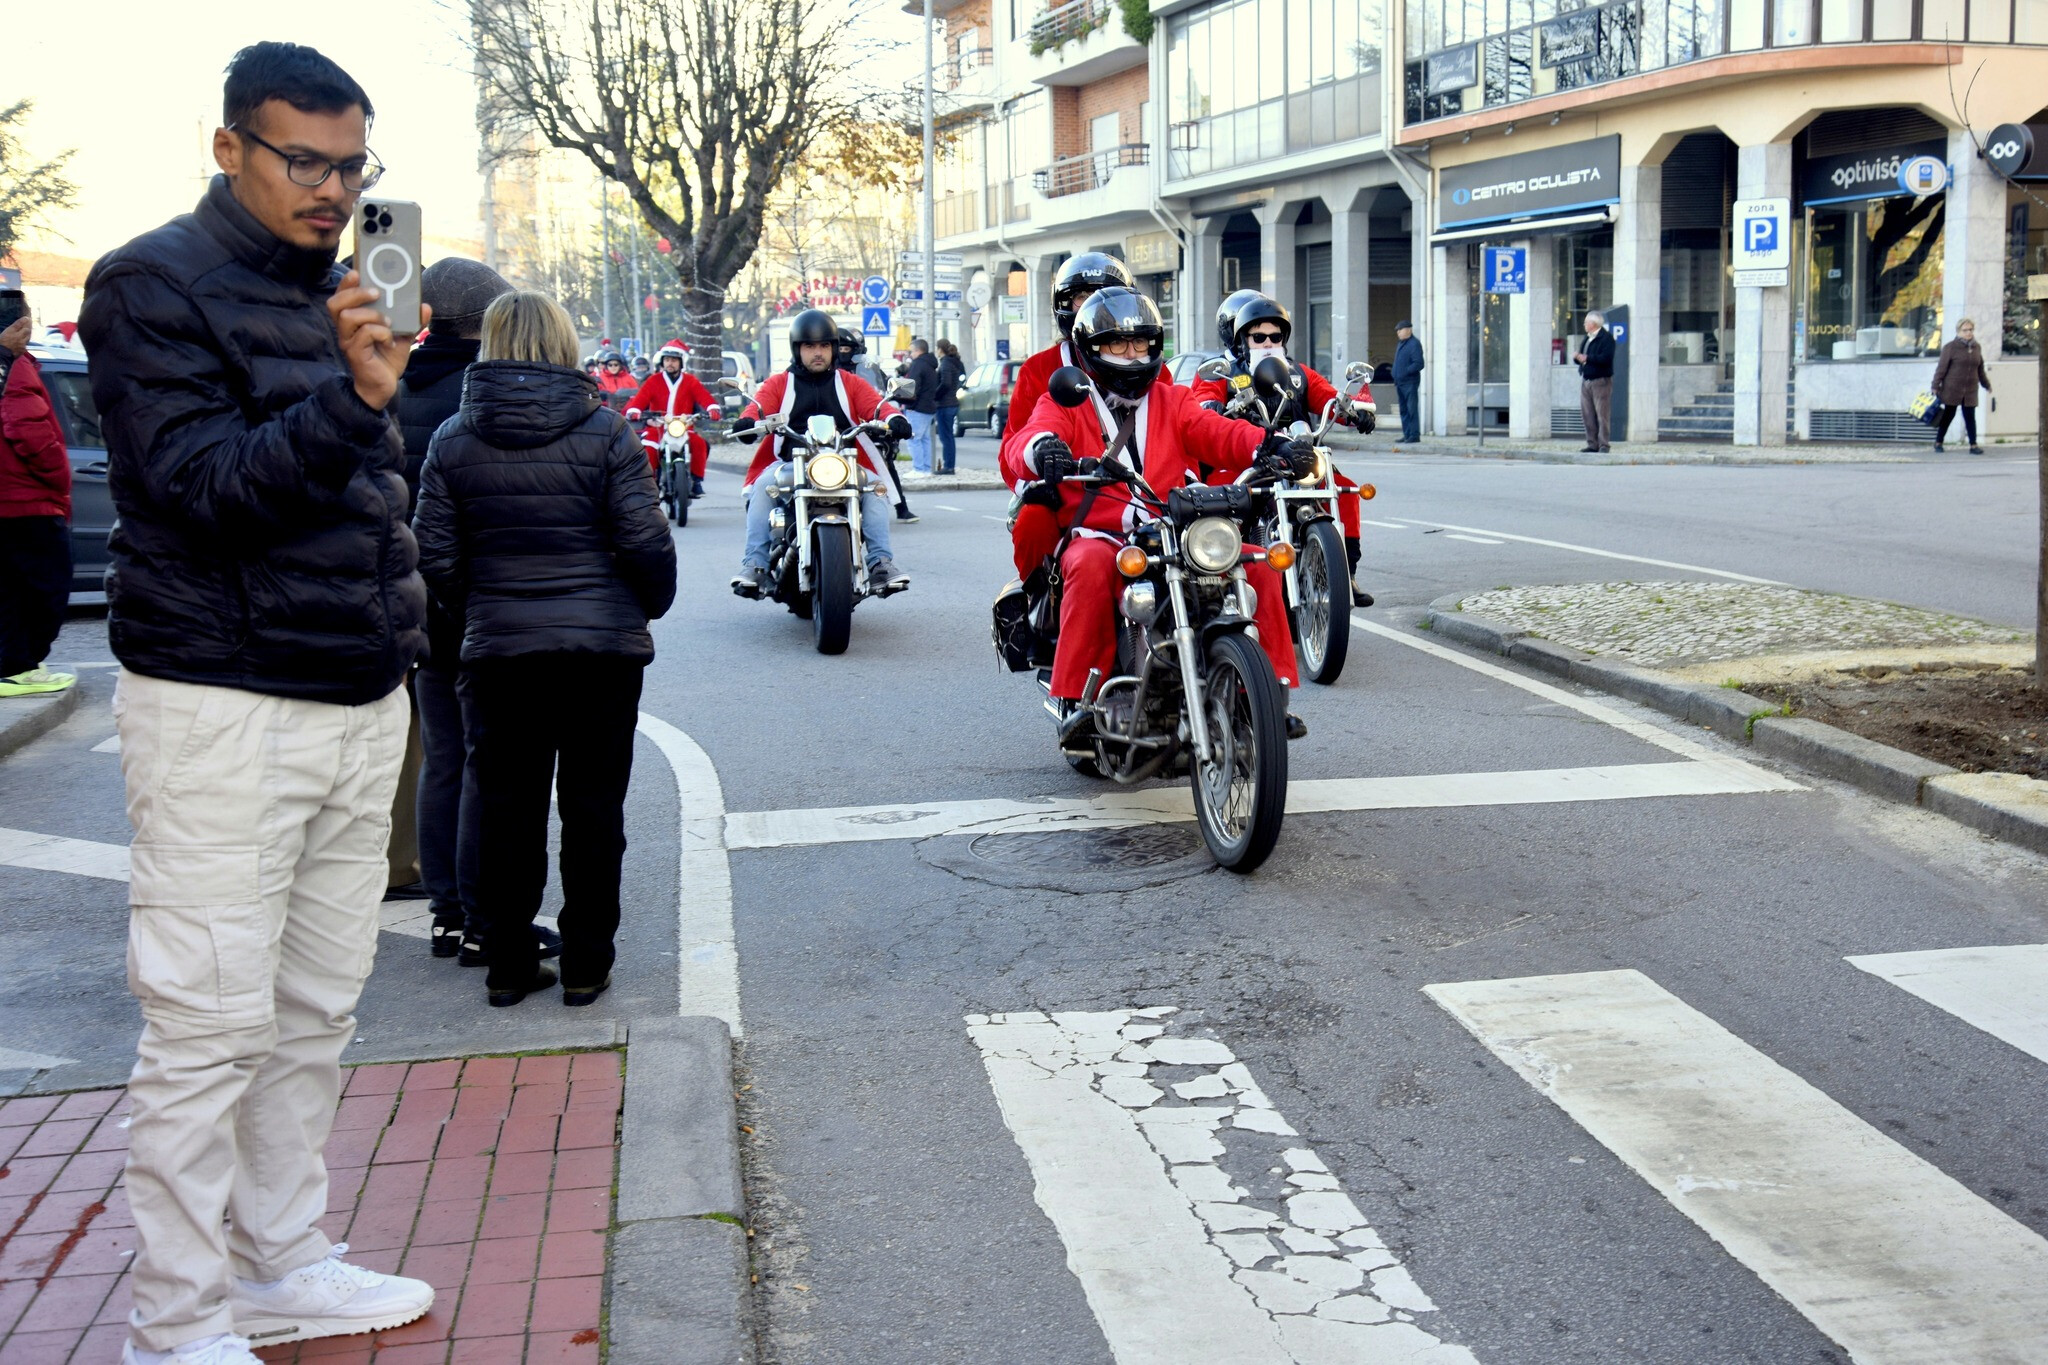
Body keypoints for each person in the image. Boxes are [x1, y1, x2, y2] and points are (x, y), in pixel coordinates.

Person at [76, 42, 435, 1365]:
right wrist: (357, 397)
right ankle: (175, 1324)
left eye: (353, 165)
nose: (333, 188)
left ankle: (281, 1259)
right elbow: (203, 489)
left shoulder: (341, 291)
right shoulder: (149, 283)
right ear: (230, 147)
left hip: (355, 694)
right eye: (305, 160)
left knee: (312, 1013)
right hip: (222, 705)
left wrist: (366, 380)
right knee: (209, 1027)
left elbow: (358, 500)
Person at [413, 291, 677, 1008]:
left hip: (500, 654)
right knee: (594, 810)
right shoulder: (606, 433)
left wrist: (481, 609)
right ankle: (588, 963)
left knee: (506, 810)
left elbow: (433, 552)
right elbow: (646, 542)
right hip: (599, 653)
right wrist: (638, 606)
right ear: (564, 345)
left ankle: (507, 963)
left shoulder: (452, 439)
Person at [1009, 288, 1312, 734]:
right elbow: (1025, 439)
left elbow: (1216, 431)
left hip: (1171, 526)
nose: (1132, 355)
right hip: (1102, 532)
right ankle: (1081, 699)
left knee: (1258, 563)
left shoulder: (1171, 399)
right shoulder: (1067, 400)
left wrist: (1270, 445)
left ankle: (1266, 696)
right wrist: (1044, 450)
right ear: (1091, 349)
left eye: (1142, 344)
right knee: (1090, 566)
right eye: (1117, 344)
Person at [392, 256, 535, 964]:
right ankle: (482, 915)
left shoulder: (396, 389)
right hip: (475, 598)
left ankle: (445, 909)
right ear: (486, 323)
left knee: (441, 757)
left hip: (415, 598)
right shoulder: (476, 395)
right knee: (485, 760)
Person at [1188, 293, 1377, 603]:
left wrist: (1353, 413)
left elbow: (1328, 398)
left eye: (1275, 336)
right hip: (1244, 460)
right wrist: (1211, 406)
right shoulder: (1224, 372)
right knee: (1218, 492)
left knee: (1344, 489)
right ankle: (1216, 574)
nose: (1267, 343)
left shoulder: (1298, 373)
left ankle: (1347, 573)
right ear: (1241, 339)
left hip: (1296, 458)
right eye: (1258, 336)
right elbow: (1200, 403)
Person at [729, 308, 911, 598]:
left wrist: (893, 419)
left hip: (841, 464)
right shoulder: (780, 383)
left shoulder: (849, 382)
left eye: (824, 346)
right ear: (797, 349)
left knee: (875, 488)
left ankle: (880, 563)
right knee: (763, 487)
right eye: (810, 346)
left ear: (834, 349)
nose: (818, 353)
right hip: (792, 463)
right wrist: (749, 421)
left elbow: (876, 405)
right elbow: (760, 407)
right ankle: (756, 565)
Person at [998, 252, 1138, 576]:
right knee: (1033, 523)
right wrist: (1041, 459)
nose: (1093, 305)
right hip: (1066, 488)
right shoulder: (1039, 369)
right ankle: (1037, 609)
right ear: (1064, 305)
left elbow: (1188, 425)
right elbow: (1015, 444)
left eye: (1106, 296)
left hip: (1142, 489)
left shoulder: (1149, 367)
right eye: (1082, 297)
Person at [0, 303, 76, 698]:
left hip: (13, 501)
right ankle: (19, 667)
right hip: (27, 502)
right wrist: (59, 478)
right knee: (48, 587)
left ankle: (16, 667)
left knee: (12, 591)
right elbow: (28, 430)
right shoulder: (16, 366)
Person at [838, 327, 915, 522]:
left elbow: (880, 388)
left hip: (866, 422)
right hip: (838, 427)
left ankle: (901, 507)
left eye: (847, 348)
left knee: (886, 461)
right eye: (840, 348)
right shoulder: (829, 373)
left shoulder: (867, 368)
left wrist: (894, 415)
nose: (843, 352)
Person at [625, 339, 721, 496]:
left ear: (681, 362)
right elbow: (639, 401)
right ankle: (651, 483)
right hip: (657, 427)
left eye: (674, 360)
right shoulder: (653, 380)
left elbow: (705, 397)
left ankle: (696, 481)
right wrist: (635, 411)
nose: (670, 363)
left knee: (699, 444)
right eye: (667, 360)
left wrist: (712, 409)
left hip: (683, 427)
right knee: (649, 447)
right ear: (662, 362)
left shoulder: (690, 381)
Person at [1932, 318, 1991, 455]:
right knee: (1948, 415)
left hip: (1970, 389)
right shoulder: (1950, 347)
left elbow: (1980, 368)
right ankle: (1938, 441)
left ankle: (1973, 445)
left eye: (1970, 330)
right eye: (1965, 330)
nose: (1968, 333)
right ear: (1958, 331)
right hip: (1952, 388)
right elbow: (1941, 368)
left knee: (1970, 416)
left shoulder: (1976, 347)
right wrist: (1935, 385)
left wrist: (1985, 384)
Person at [1573, 311, 1616, 452]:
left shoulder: (1606, 338)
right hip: (1586, 378)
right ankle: (1592, 443)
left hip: (1600, 380)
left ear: (1593, 324)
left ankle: (1604, 444)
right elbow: (1583, 356)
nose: (1584, 325)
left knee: (1602, 414)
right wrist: (1577, 358)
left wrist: (1587, 358)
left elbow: (1606, 358)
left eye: (1586, 322)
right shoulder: (1587, 338)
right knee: (1587, 413)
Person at [904, 337, 940, 473]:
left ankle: (918, 469)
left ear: (918, 351)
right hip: (929, 406)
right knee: (925, 439)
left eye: (911, 351)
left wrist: (906, 400)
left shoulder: (918, 364)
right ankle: (926, 469)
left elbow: (912, 386)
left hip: (917, 407)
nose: (910, 355)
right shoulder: (931, 364)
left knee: (914, 439)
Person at [934, 338, 965, 474]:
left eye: (937, 348)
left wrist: (935, 395)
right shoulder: (956, 362)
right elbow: (961, 379)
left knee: (945, 437)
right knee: (948, 436)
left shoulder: (945, 363)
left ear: (940, 349)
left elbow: (945, 383)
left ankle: (949, 466)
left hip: (945, 404)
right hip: (952, 402)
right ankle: (949, 465)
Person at [1391, 321, 1424, 445]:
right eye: (1397, 330)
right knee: (1404, 410)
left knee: (1411, 409)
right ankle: (1407, 434)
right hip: (1400, 383)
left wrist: (1405, 372)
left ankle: (1414, 435)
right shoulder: (1401, 344)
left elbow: (1419, 363)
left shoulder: (1414, 344)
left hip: (1410, 382)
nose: (1398, 332)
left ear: (1408, 330)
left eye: (1400, 330)